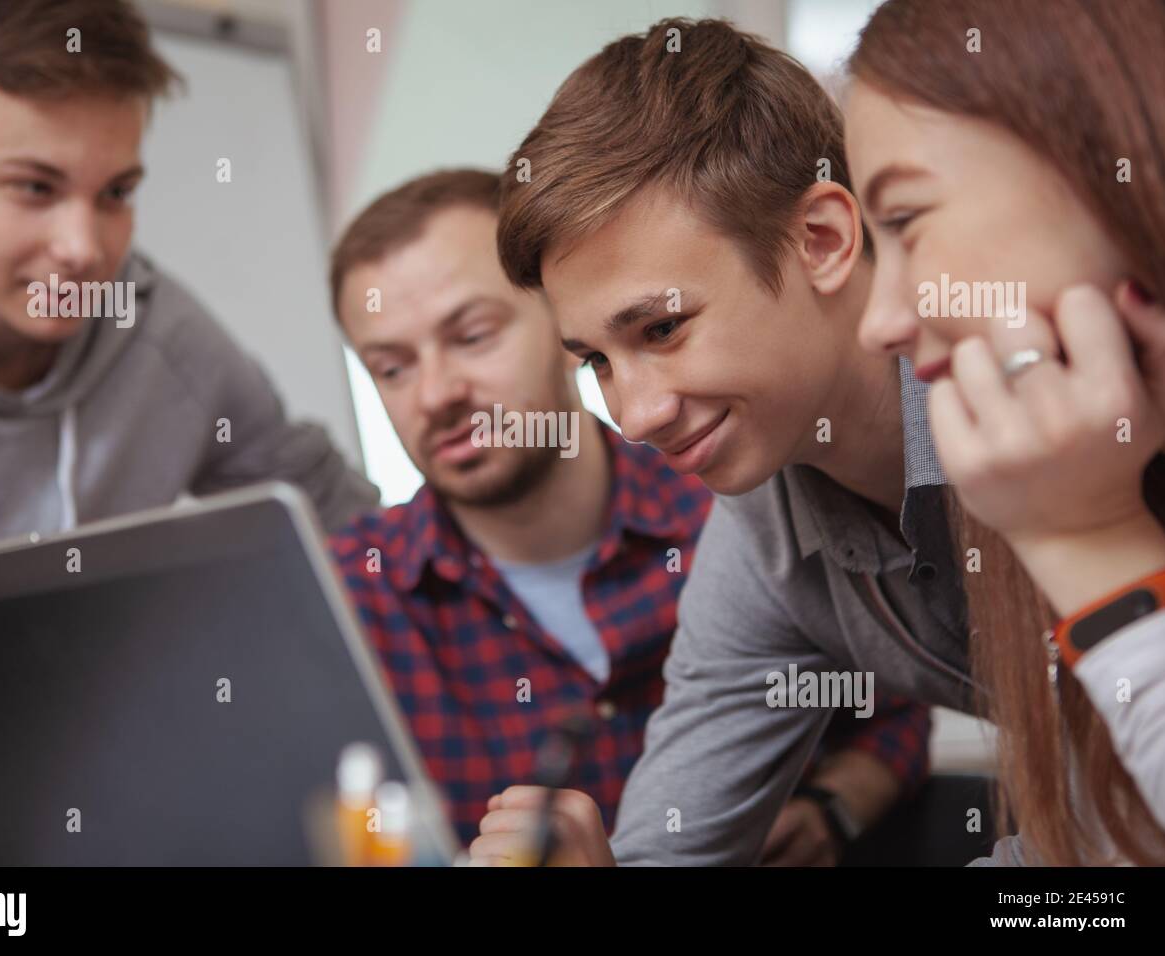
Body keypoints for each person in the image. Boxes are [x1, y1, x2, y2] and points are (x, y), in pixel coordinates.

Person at [0, 0, 377, 865]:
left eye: (117, 193)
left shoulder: (166, 339)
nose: (84, 246)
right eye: (34, 187)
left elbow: (349, 531)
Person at [468, 17, 977, 867]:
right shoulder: (763, 537)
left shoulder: (1040, 405)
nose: (633, 417)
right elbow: (672, 850)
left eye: (663, 327)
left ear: (821, 240)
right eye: (596, 360)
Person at [329, 168, 932, 857]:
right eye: (392, 367)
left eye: (472, 336)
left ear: (565, 322)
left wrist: (836, 806)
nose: (435, 393)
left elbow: (894, 702)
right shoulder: (345, 599)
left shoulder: (734, 488)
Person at [846, 0, 1165, 865]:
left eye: (907, 221)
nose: (881, 321)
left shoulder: (1078, 503)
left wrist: (1087, 539)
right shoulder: (1117, 471)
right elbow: (1100, 864)